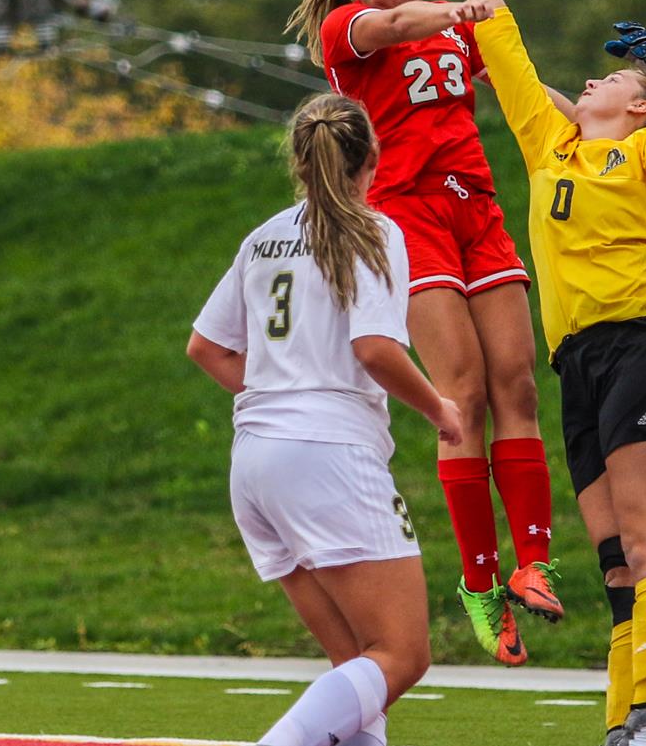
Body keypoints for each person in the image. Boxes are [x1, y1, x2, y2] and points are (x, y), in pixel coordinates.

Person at [434, 0, 646, 746]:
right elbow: (501, 42)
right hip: (579, 366)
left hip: (644, 348)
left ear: (635, 108)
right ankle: (622, 726)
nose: (589, 81)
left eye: (613, 79)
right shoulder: (551, 147)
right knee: (614, 566)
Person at [286, 0, 556, 666]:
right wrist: (458, 6)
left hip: (477, 207)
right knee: (461, 392)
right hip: (410, 215)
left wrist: (588, 127)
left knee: (517, 383)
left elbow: (518, 80)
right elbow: (400, 23)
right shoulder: (350, 28)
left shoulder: (447, 24)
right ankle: (481, 583)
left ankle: (535, 563)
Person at [185, 93, 464, 746]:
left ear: (301, 161)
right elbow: (375, 348)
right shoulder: (374, 230)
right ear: (372, 160)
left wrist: (280, 394)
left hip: (255, 459)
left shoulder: (263, 237)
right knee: (402, 654)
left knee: (357, 663)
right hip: (327, 455)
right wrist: (439, 408)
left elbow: (206, 347)